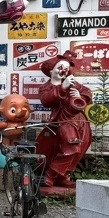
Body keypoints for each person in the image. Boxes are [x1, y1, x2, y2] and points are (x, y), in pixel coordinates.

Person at [36, 51, 92, 189]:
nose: (64, 71)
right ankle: (50, 175)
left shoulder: (73, 83)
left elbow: (87, 92)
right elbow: (46, 100)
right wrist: (62, 87)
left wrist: (80, 95)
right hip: (63, 120)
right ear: (51, 70)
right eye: (60, 68)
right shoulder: (46, 87)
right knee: (71, 148)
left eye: (66, 69)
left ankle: (63, 176)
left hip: (79, 121)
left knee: (80, 150)